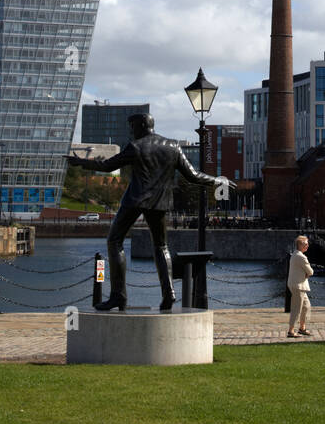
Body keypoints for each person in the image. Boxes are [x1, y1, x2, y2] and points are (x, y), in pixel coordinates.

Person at [67, 113, 233, 311]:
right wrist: (217, 180)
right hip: (160, 202)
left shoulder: (136, 146)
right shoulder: (173, 146)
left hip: (135, 200)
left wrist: (81, 162)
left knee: (114, 241)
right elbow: (193, 175)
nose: (131, 130)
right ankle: (169, 293)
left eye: (133, 126)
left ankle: (118, 296)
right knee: (161, 246)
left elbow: (107, 166)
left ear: (143, 125)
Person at [287, 235, 314, 337]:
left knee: (306, 306)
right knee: (297, 308)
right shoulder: (301, 257)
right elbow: (311, 271)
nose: (307, 245)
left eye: (307, 244)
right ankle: (291, 331)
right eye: (305, 244)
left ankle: (302, 328)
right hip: (298, 286)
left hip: (299, 285)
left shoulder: (295, 254)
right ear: (300, 245)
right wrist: (307, 273)